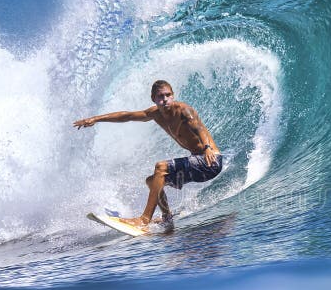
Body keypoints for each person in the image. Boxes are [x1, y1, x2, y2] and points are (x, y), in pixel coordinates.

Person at [73, 80, 222, 230]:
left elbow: (200, 129)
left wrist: (208, 147)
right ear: (153, 99)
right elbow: (127, 116)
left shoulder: (184, 111)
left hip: (211, 161)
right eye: (160, 96)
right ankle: (167, 217)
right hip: (198, 164)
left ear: (173, 95)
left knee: (161, 167)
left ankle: (144, 220)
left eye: (168, 95)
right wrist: (96, 119)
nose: (165, 99)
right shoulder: (155, 114)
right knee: (153, 181)